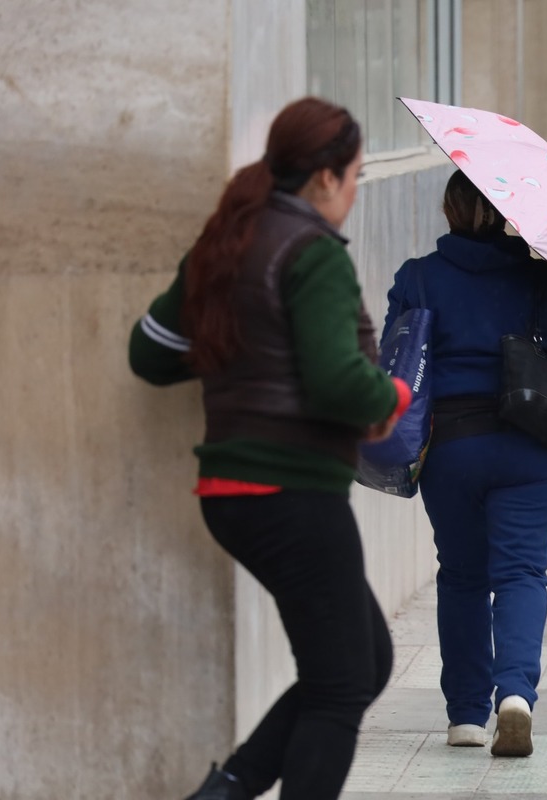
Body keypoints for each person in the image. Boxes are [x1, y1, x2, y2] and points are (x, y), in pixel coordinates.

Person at [128, 97, 406, 800]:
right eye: (355, 178)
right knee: (342, 684)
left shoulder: (226, 243)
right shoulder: (313, 254)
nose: (352, 193)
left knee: (363, 660)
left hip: (233, 494)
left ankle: (227, 789)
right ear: (322, 179)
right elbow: (339, 381)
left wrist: (245, 350)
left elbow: (151, 354)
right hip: (292, 493)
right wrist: (392, 400)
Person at [382, 170, 547, 758]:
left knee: (462, 577)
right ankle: (517, 695)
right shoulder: (538, 278)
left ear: (449, 208)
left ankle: (466, 717)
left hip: (450, 450)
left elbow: (394, 363)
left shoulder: (418, 277)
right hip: (528, 448)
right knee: (522, 573)